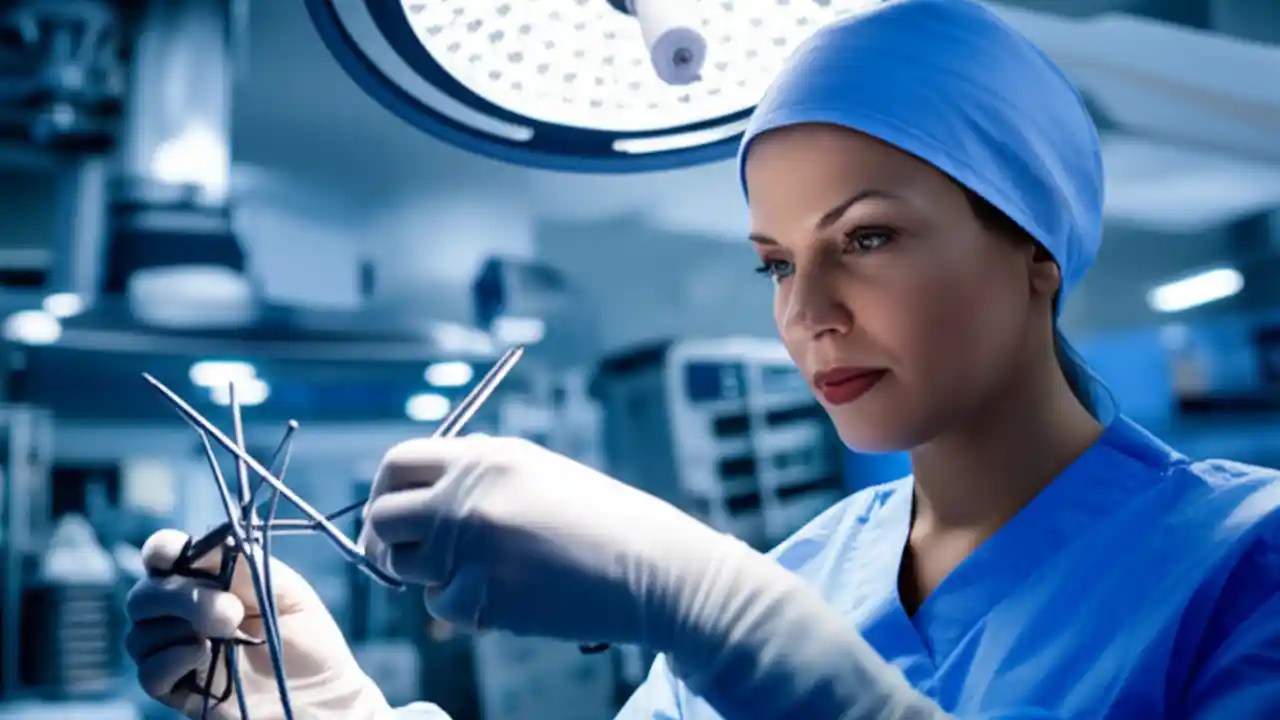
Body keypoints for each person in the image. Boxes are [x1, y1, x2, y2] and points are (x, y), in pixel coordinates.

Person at [124, 0, 1280, 718]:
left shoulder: (1242, 566)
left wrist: (725, 613)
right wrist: (329, 707)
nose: (807, 312)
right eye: (774, 263)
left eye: (864, 238)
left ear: (1031, 247)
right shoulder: (809, 574)